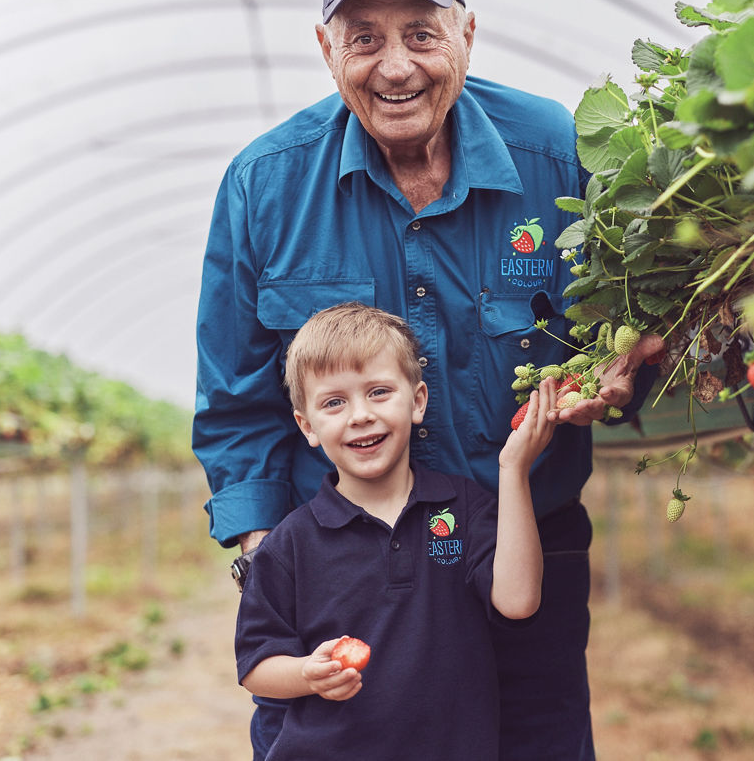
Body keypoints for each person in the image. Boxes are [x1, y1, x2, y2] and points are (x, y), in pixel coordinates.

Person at [193, 0, 663, 759]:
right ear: (326, 48)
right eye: (364, 39)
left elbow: (631, 320)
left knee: (534, 743)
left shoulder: (558, 156)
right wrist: (273, 562)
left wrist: (630, 363)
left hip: (524, 546)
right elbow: (235, 401)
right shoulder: (265, 185)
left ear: (467, 34)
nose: (397, 66)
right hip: (341, 563)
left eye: (421, 33)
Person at [235, 303, 557, 759]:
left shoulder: (463, 507)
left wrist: (514, 469)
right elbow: (256, 665)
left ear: (418, 401)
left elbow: (519, 601)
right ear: (307, 426)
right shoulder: (290, 543)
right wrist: (308, 673)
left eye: (379, 392)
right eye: (334, 402)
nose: (360, 415)